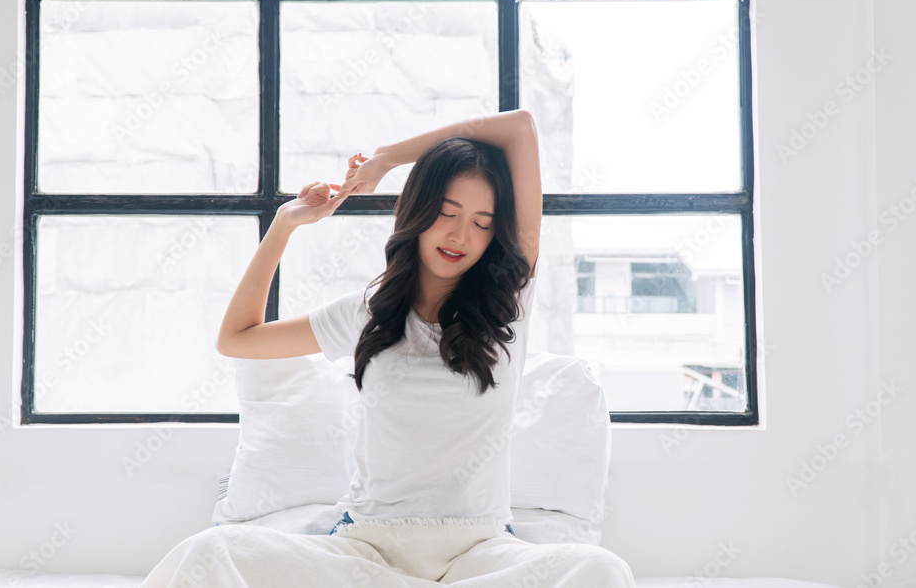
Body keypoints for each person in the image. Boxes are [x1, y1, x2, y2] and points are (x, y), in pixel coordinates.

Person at [139, 109, 634, 587]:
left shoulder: (509, 301)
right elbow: (238, 339)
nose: (461, 234)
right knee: (211, 553)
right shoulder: (367, 312)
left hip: (478, 554)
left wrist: (388, 158)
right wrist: (285, 225)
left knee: (600, 570)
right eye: (446, 212)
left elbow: (520, 127)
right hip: (366, 553)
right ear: (418, 212)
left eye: (482, 222)